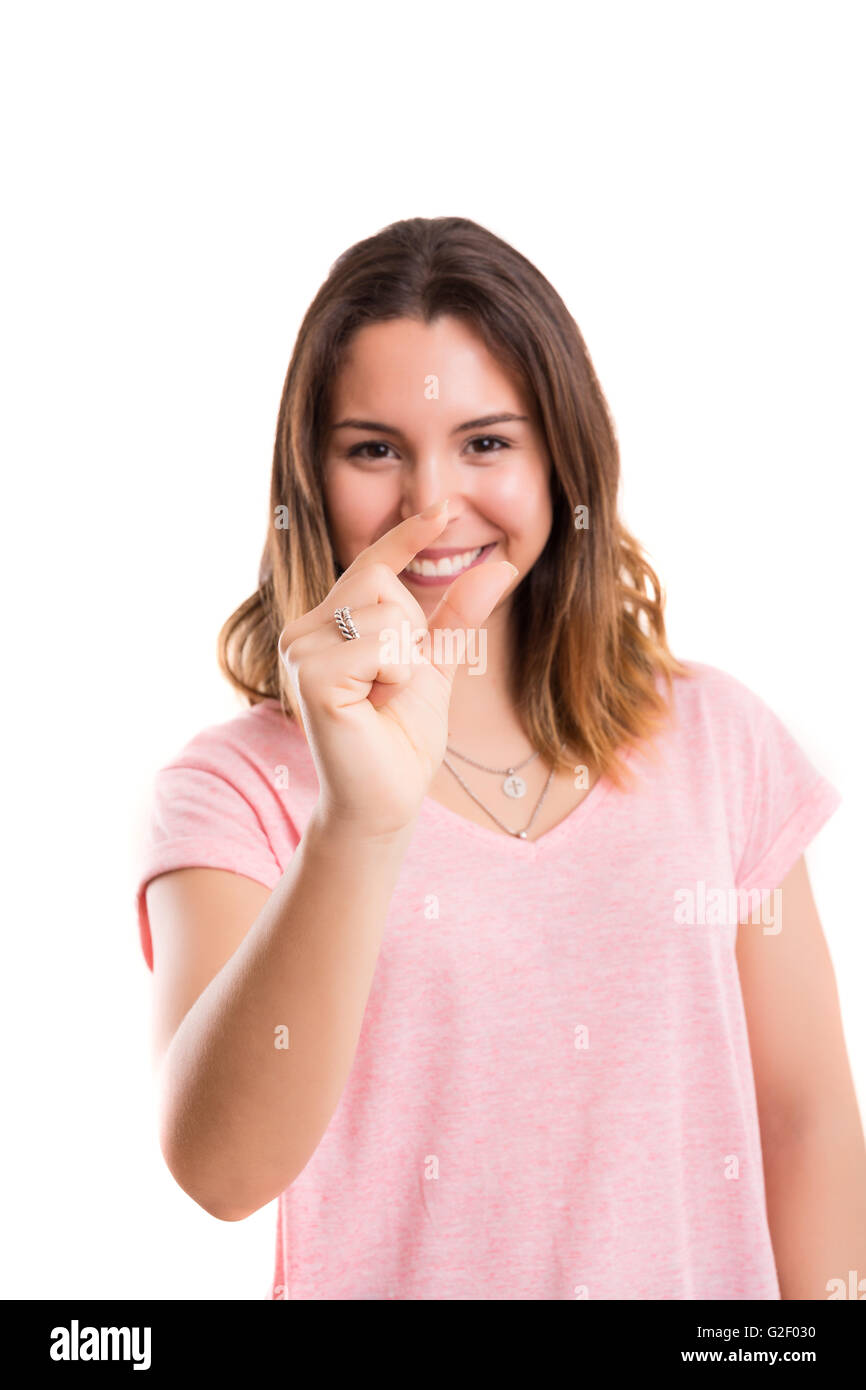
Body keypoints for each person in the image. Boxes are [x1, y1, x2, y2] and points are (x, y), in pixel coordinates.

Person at [135, 215, 865, 1300]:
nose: (432, 508)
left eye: (486, 442)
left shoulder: (720, 746)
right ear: (311, 475)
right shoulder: (232, 790)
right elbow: (223, 1172)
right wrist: (359, 821)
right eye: (373, 449)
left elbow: (802, 1118)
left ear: (558, 461)